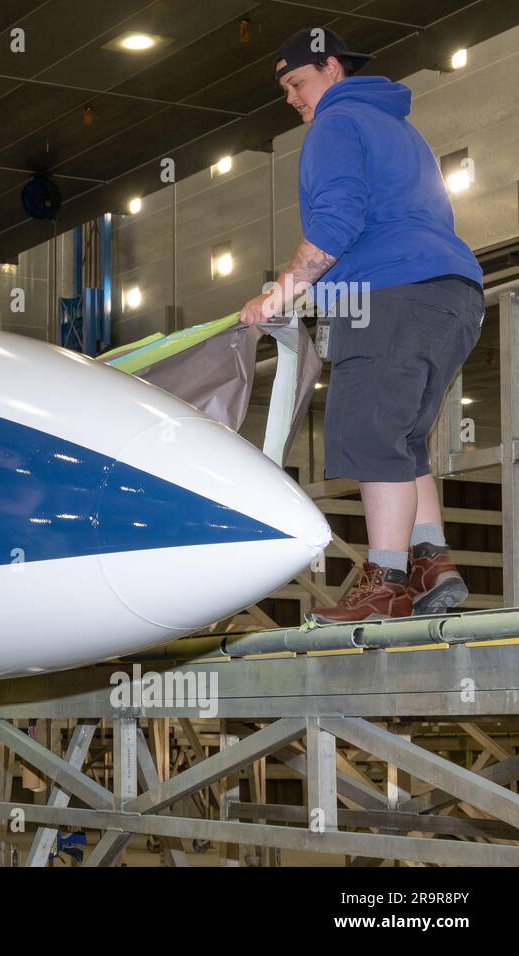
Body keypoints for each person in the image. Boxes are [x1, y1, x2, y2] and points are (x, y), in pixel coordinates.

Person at [240, 28, 484, 625]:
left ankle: (385, 583)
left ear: (330, 68)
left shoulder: (335, 124)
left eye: (297, 82)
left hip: (386, 296)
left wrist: (282, 291)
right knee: (400, 439)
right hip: (454, 297)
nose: (293, 99)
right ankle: (430, 558)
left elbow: (337, 222)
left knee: (372, 436)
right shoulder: (401, 130)